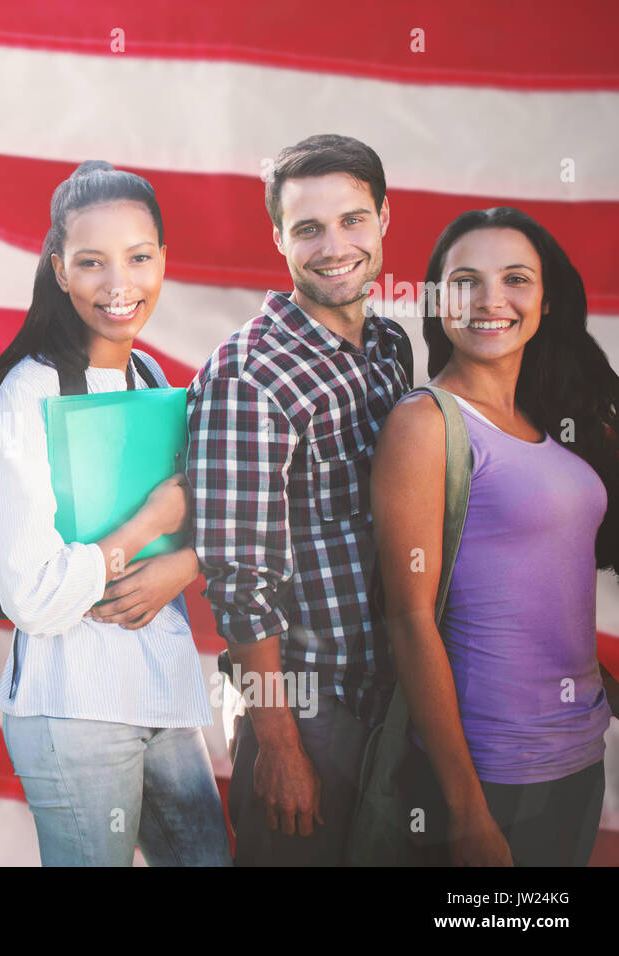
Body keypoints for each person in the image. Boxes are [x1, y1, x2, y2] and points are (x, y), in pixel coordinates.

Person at [0, 161, 229, 867]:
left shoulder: (151, 378)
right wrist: (146, 528)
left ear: (163, 261)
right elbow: (31, 595)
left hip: (162, 690)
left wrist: (178, 564)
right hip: (75, 707)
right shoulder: (28, 394)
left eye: (139, 258)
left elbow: (201, 525)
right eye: (91, 262)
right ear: (59, 271)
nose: (120, 285)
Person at [187, 134, 410, 865]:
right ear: (279, 237)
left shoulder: (388, 346)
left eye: (352, 220)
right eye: (308, 228)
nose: (333, 245)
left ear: (384, 217)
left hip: (393, 704)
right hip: (310, 715)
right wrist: (279, 745)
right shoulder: (249, 375)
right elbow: (241, 584)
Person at [372, 207, 619, 867]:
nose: (490, 300)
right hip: (492, 774)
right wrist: (466, 809)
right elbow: (409, 618)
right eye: (466, 280)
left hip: (581, 754)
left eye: (516, 279)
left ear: (544, 302)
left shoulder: (547, 421)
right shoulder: (427, 423)